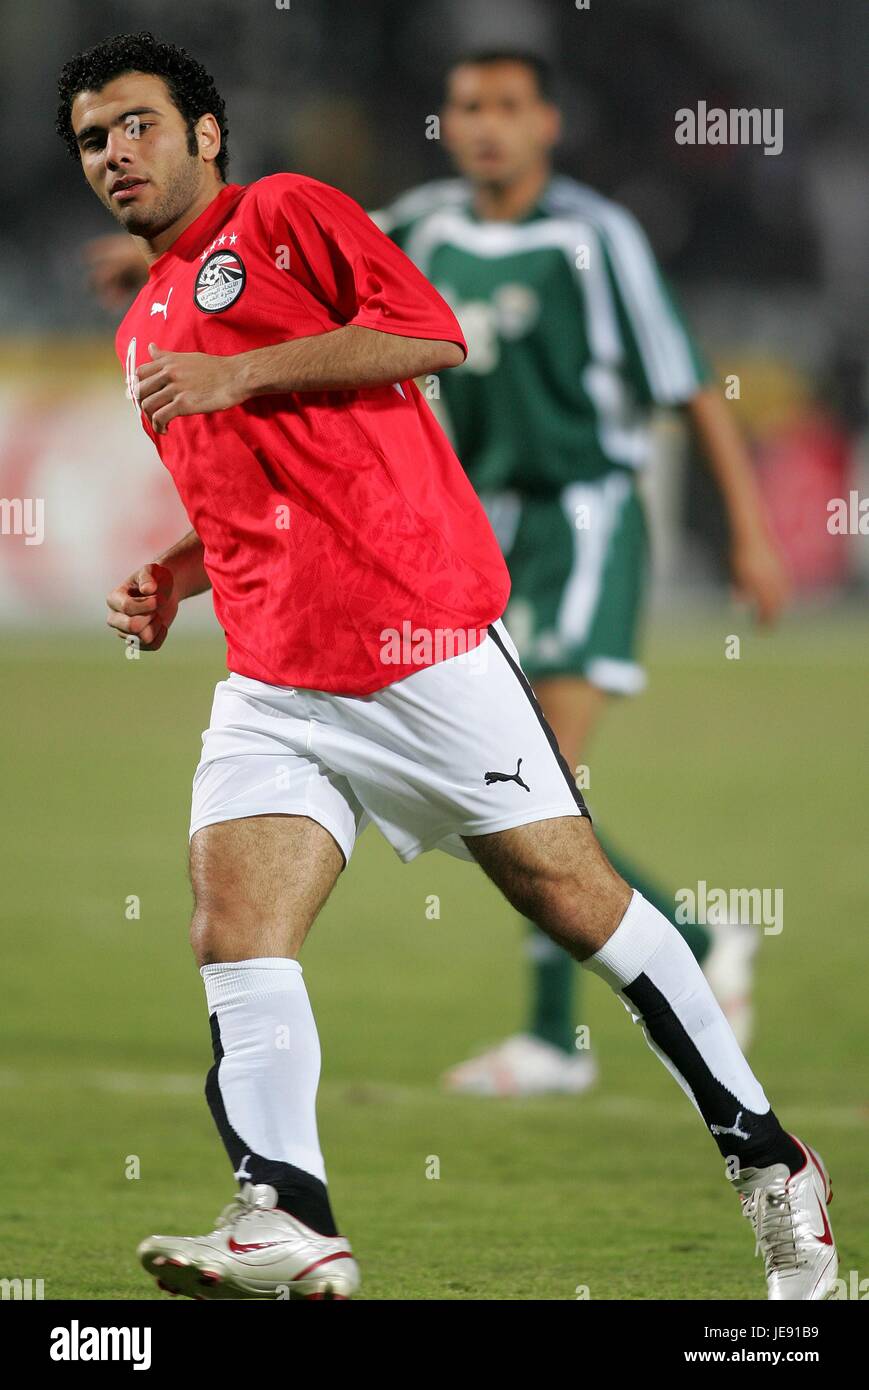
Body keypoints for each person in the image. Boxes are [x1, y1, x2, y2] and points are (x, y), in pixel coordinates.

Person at [56, 30, 836, 1301]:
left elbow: (427, 334)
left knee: (575, 903)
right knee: (233, 929)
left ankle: (766, 1156)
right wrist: (172, 577)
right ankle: (286, 1216)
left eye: (138, 124)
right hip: (273, 680)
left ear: (207, 134)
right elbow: (264, 499)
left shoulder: (289, 214)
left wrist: (239, 367)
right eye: (93, 138)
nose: (114, 154)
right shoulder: (145, 325)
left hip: (414, 642)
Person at [370, 50, 792, 1095]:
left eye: (508, 107)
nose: (485, 126)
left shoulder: (594, 237)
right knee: (500, 792)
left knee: (532, 781)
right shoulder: (418, 224)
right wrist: (167, 263)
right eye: (467, 106)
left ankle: (554, 1042)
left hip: (588, 521)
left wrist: (749, 532)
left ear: (546, 124)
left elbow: (689, 387)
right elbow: (295, 266)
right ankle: (695, 932)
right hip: (477, 537)